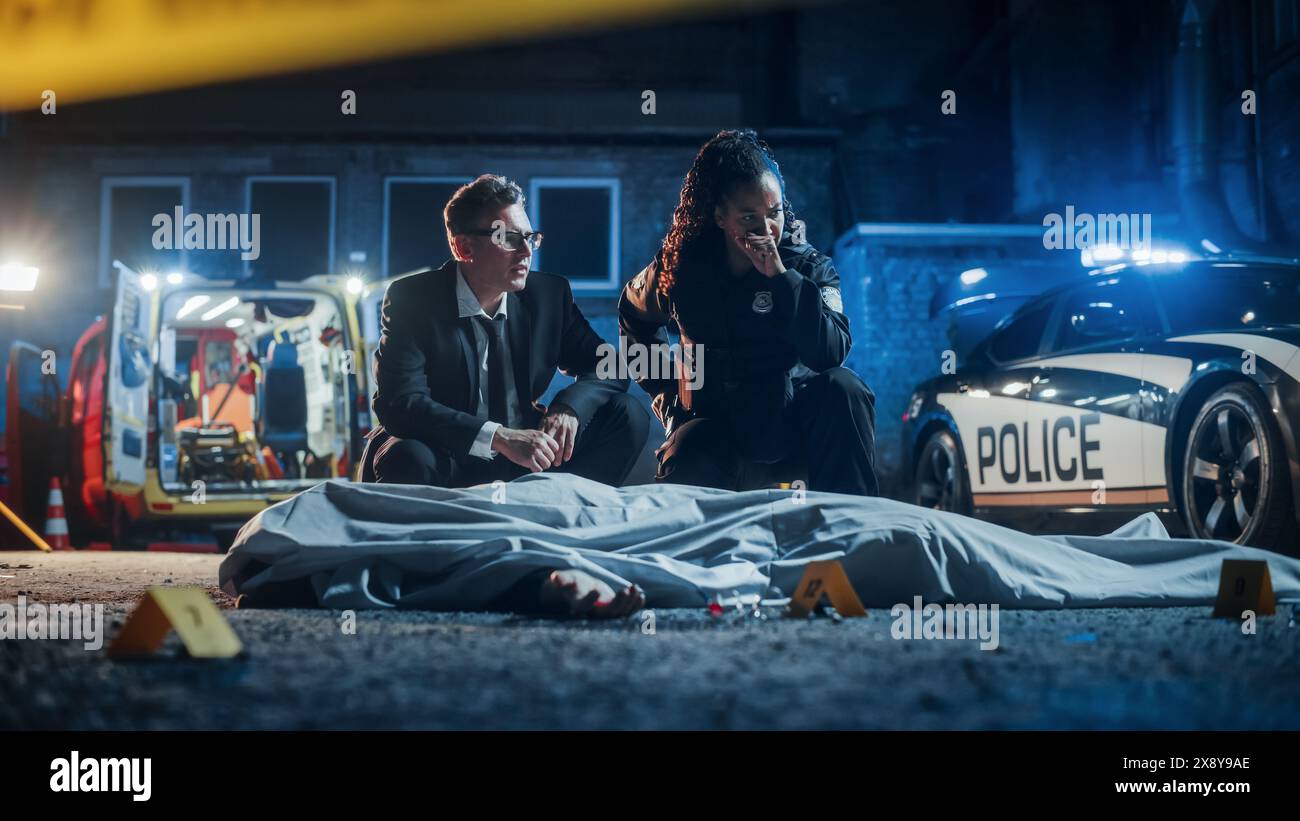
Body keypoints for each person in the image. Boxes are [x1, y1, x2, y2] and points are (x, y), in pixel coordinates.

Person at [618, 129, 880, 496]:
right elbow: (633, 318)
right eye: (748, 218)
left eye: (774, 214)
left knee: (845, 388)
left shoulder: (808, 267)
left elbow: (830, 352)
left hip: (790, 425)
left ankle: (853, 534)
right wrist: (670, 401)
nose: (766, 230)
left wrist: (782, 279)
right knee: (690, 454)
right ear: (720, 216)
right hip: (715, 428)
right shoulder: (682, 268)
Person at [360, 174, 650, 488]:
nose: (527, 252)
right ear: (464, 247)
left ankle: (558, 516)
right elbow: (401, 403)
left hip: (524, 455)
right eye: (510, 238)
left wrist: (569, 408)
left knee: (627, 415)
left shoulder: (549, 295)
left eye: (531, 237)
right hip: (445, 450)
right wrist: (497, 437)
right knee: (407, 455)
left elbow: (608, 366)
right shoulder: (413, 299)